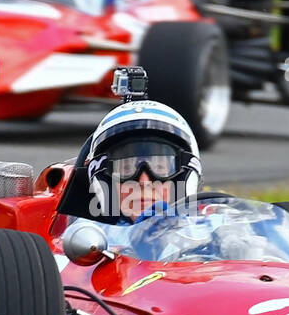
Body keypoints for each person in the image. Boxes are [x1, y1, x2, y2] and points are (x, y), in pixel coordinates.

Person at [85, 68, 202, 224]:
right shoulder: (81, 237)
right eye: (126, 170)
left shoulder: (211, 232)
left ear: (184, 178)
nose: (144, 182)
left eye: (160, 169)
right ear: (104, 182)